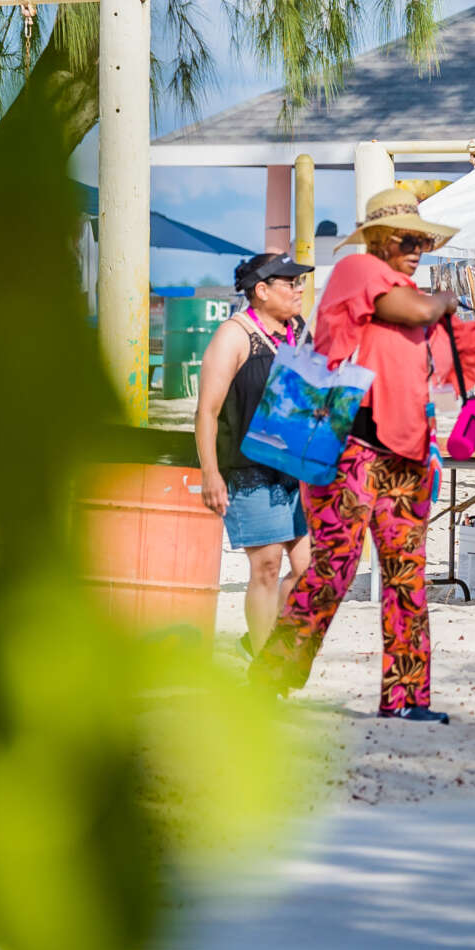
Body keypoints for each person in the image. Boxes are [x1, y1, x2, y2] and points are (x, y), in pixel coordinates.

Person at [251, 185, 475, 722]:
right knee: (334, 570)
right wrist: (442, 302)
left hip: (409, 457)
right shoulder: (358, 273)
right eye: (408, 238)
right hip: (348, 451)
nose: (418, 247)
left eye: (423, 239)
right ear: (377, 239)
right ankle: (269, 676)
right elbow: (416, 308)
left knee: (406, 580)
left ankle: (406, 700)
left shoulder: (417, 302)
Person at [196, 251, 317, 654]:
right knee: (265, 569)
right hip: (249, 471)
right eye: (290, 283)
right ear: (261, 291)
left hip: (296, 471)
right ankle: (266, 662)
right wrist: (210, 474)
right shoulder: (233, 336)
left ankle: (263, 642)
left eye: (300, 282)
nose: (299, 289)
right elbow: (207, 413)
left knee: (313, 571)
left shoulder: (298, 331)